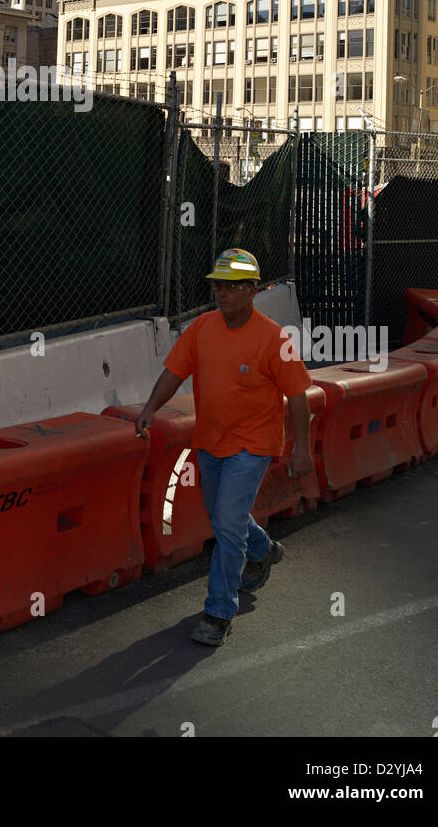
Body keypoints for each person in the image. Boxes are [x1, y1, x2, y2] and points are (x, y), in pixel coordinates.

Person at [135, 248, 313, 646]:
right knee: (223, 518)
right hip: (211, 443)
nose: (222, 292)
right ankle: (263, 549)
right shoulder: (201, 329)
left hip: (253, 446)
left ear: (252, 290)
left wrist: (303, 449)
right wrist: (150, 407)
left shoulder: (273, 337)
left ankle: (218, 612)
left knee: (227, 523)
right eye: (218, 285)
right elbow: (173, 372)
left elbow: (298, 394)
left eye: (232, 287)